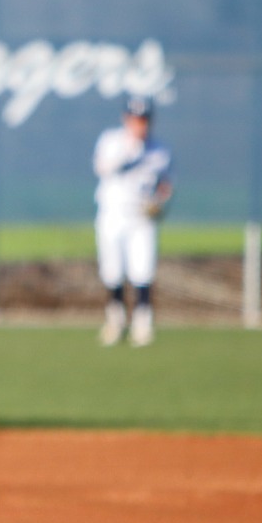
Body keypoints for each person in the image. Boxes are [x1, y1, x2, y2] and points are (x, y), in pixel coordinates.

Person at [92, 96, 172, 347]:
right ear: (126, 119)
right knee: (112, 270)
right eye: (136, 119)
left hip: (141, 217)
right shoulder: (112, 141)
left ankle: (142, 322)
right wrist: (129, 153)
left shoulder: (159, 151)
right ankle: (115, 319)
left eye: (144, 120)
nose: (140, 125)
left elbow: (166, 185)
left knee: (142, 270)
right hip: (113, 214)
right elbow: (102, 168)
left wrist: (159, 202)